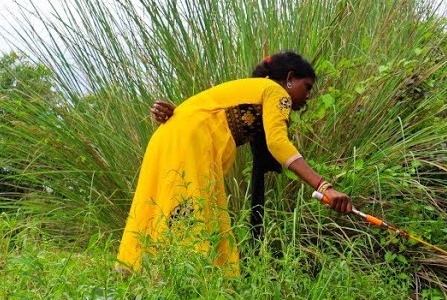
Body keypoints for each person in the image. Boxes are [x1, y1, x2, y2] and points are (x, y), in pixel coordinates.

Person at [116, 51, 351, 275]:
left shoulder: (252, 88)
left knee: (163, 205)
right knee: (196, 215)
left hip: (168, 136)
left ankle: (141, 275)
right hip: (193, 142)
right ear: (290, 78)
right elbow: (278, 143)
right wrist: (324, 186)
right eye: (307, 87)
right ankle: (188, 282)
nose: (309, 96)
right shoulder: (276, 92)